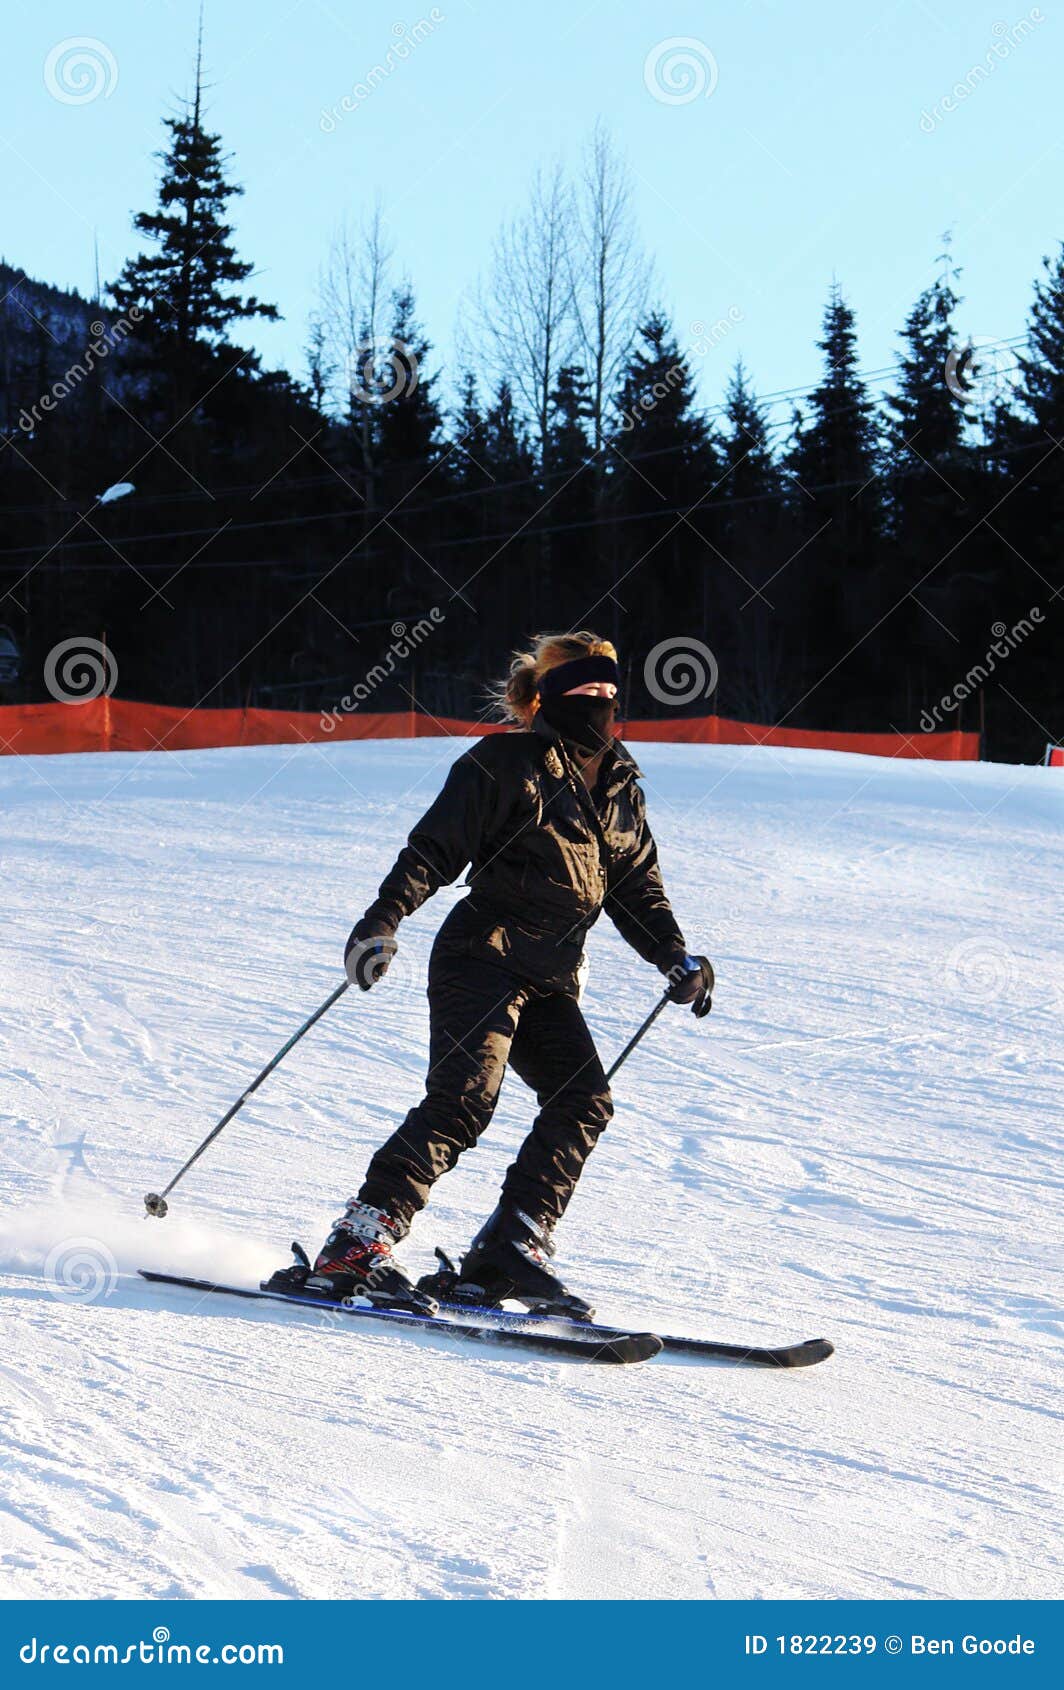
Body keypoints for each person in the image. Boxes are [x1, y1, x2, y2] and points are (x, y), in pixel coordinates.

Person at [268, 631, 712, 1318]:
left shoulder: (623, 784)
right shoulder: (507, 761)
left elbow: (637, 888)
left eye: (610, 693)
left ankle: (509, 1248)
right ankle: (358, 1242)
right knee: (465, 1099)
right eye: (585, 691)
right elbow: (434, 848)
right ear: (550, 697)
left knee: (583, 1100)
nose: (601, 704)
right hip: (482, 954)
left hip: (551, 973)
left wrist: (675, 957)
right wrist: (383, 920)